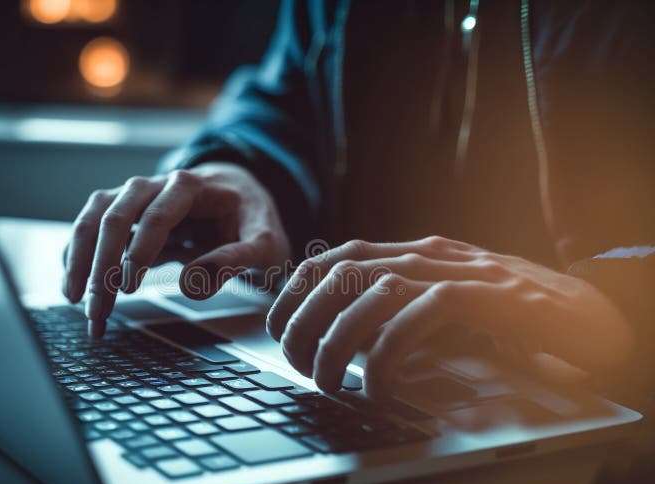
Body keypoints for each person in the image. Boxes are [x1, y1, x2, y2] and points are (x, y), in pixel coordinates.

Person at [61, 1, 654, 404]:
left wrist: (621, 297)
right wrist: (236, 168)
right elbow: (284, 97)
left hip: (604, 405)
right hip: (382, 377)